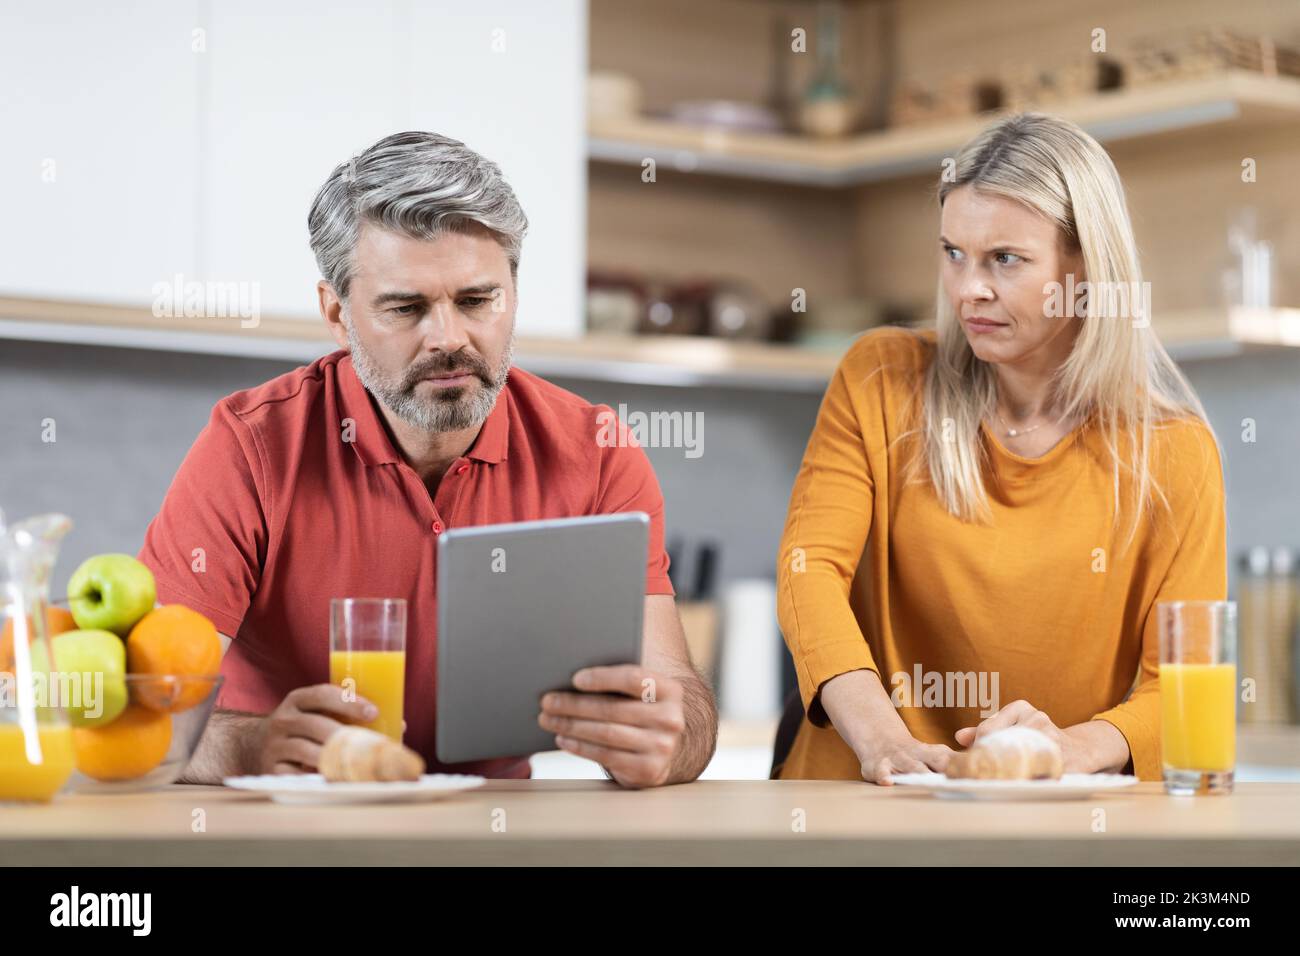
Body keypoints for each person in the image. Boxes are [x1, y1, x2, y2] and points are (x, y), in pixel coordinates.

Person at [139, 131, 717, 789]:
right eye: (406, 308)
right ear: (337, 313)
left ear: (513, 292)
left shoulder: (597, 452)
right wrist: (248, 747)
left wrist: (671, 737)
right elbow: (146, 720)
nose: (449, 339)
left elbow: (683, 706)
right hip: (290, 830)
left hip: (499, 837)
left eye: (476, 301)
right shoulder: (249, 449)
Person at [774, 113, 1226, 784]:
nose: (966, 289)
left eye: (1004, 260)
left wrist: (1072, 748)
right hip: (856, 806)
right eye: (953, 252)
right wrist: (882, 742)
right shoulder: (880, 377)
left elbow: (1187, 690)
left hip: (1045, 824)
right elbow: (809, 570)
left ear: (1086, 267)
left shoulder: (1175, 454)